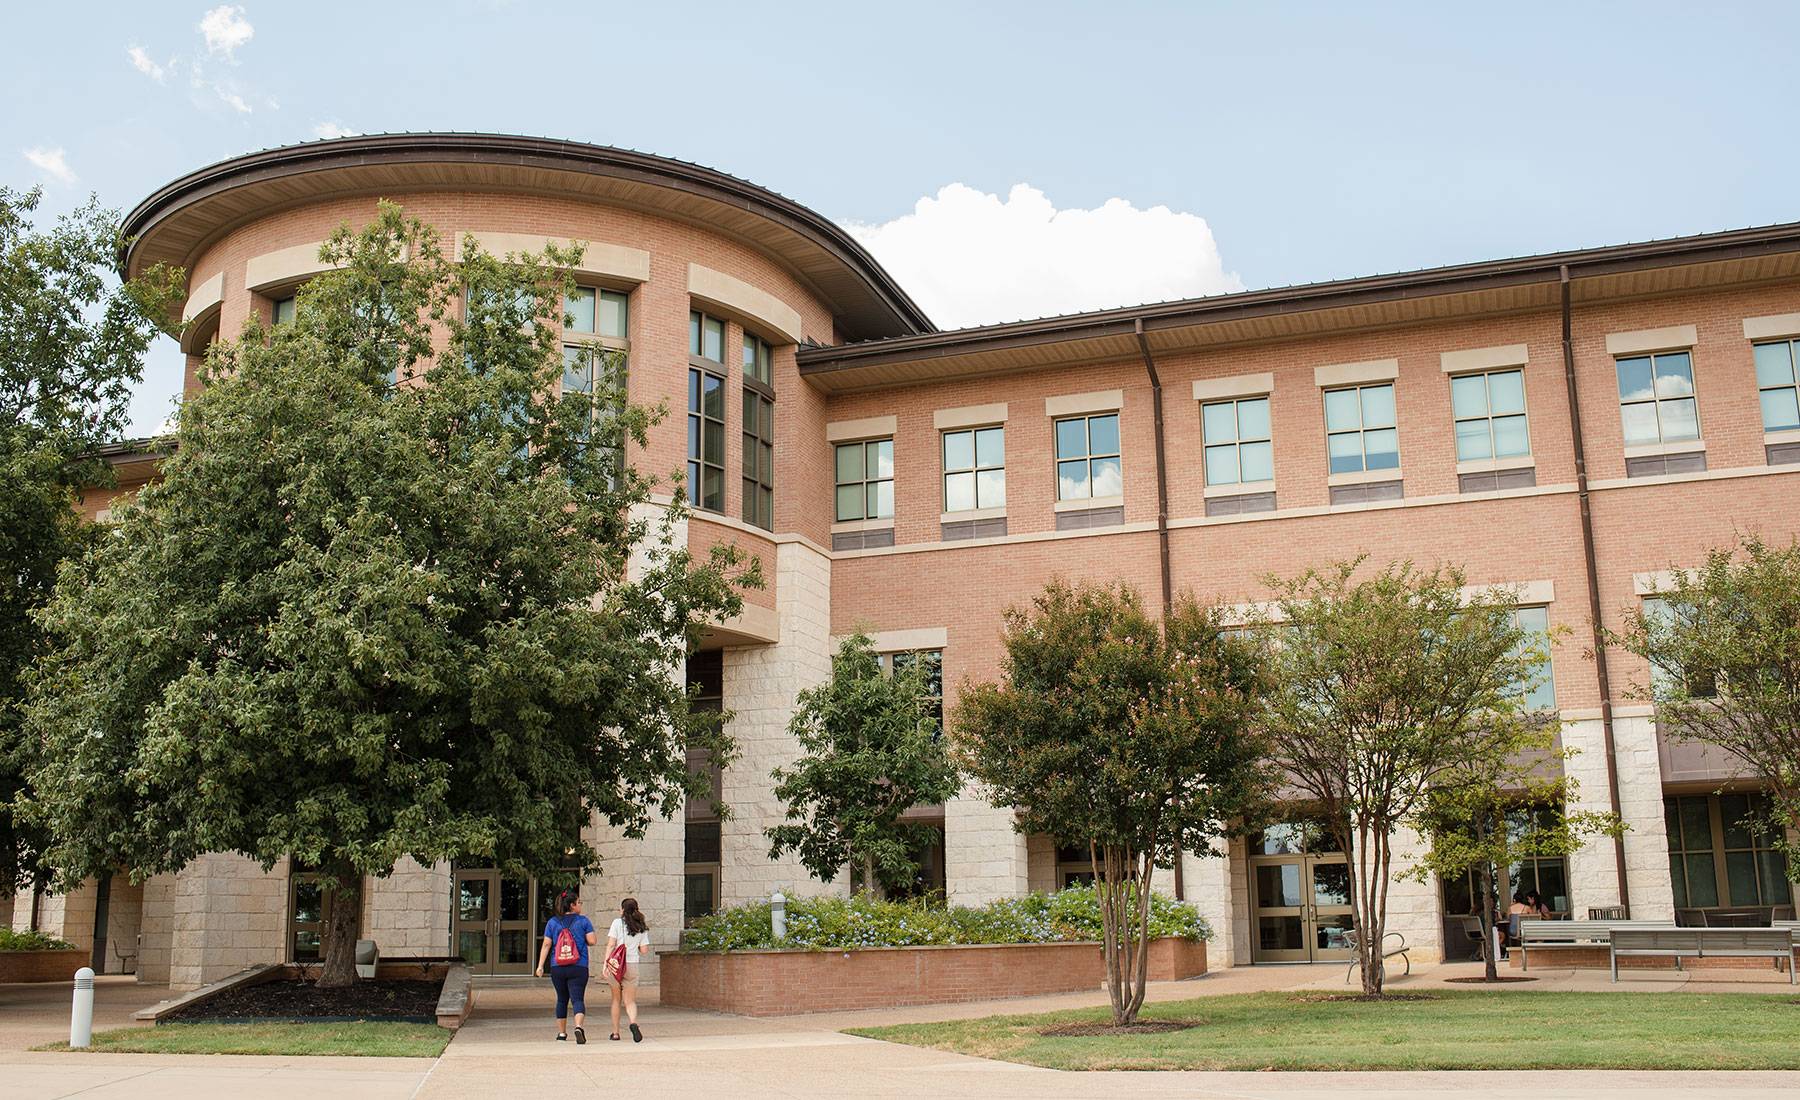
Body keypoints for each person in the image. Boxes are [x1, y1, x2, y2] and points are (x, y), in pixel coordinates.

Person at [534, 891, 596, 1044]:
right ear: (572, 905)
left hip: (558, 966)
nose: (580, 905)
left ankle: (562, 1033)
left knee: (561, 1000)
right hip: (579, 966)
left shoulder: (553, 922)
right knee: (577, 998)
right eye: (579, 902)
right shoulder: (583, 921)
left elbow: (547, 944)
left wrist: (540, 966)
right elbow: (592, 941)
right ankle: (578, 1026)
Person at [603, 897, 652, 1042]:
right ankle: (633, 1022)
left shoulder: (617, 923)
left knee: (616, 1000)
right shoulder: (641, 925)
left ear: (623, 910)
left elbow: (611, 944)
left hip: (616, 965)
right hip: (632, 964)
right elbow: (644, 950)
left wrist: (605, 964)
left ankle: (616, 1033)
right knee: (630, 1001)